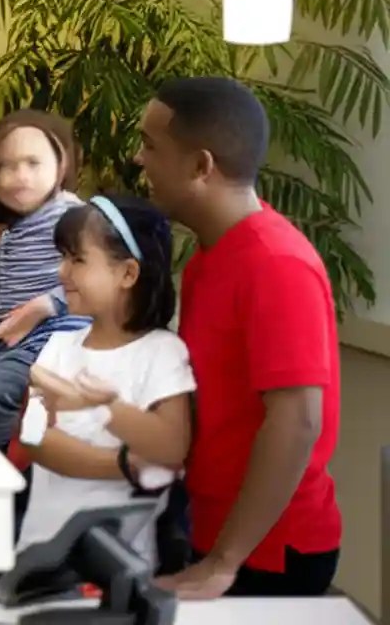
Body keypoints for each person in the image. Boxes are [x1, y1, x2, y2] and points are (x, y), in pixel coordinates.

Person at [134, 76, 341, 598]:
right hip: (211, 530)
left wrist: (225, 560)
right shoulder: (209, 257)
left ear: (201, 166)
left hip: (267, 551)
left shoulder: (277, 263)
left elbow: (297, 421)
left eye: (150, 146)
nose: (138, 159)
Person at [13, 193, 194, 572]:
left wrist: (103, 407)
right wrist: (127, 465)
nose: (61, 272)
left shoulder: (163, 353)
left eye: (77, 259)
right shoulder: (58, 345)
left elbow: (171, 446)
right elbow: (33, 438)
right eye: (63, 257)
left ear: (128, 273)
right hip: (41, 553)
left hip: (122, 564)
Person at [0, 109, 92, 454]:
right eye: (5, 166)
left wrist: (47, 304)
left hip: (57, 331)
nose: (19, 176)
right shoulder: (17, 224)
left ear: (60, 166)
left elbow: (98, 274)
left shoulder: (71, 214)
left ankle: (23, 459)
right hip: (17, 334)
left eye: (33, 163)